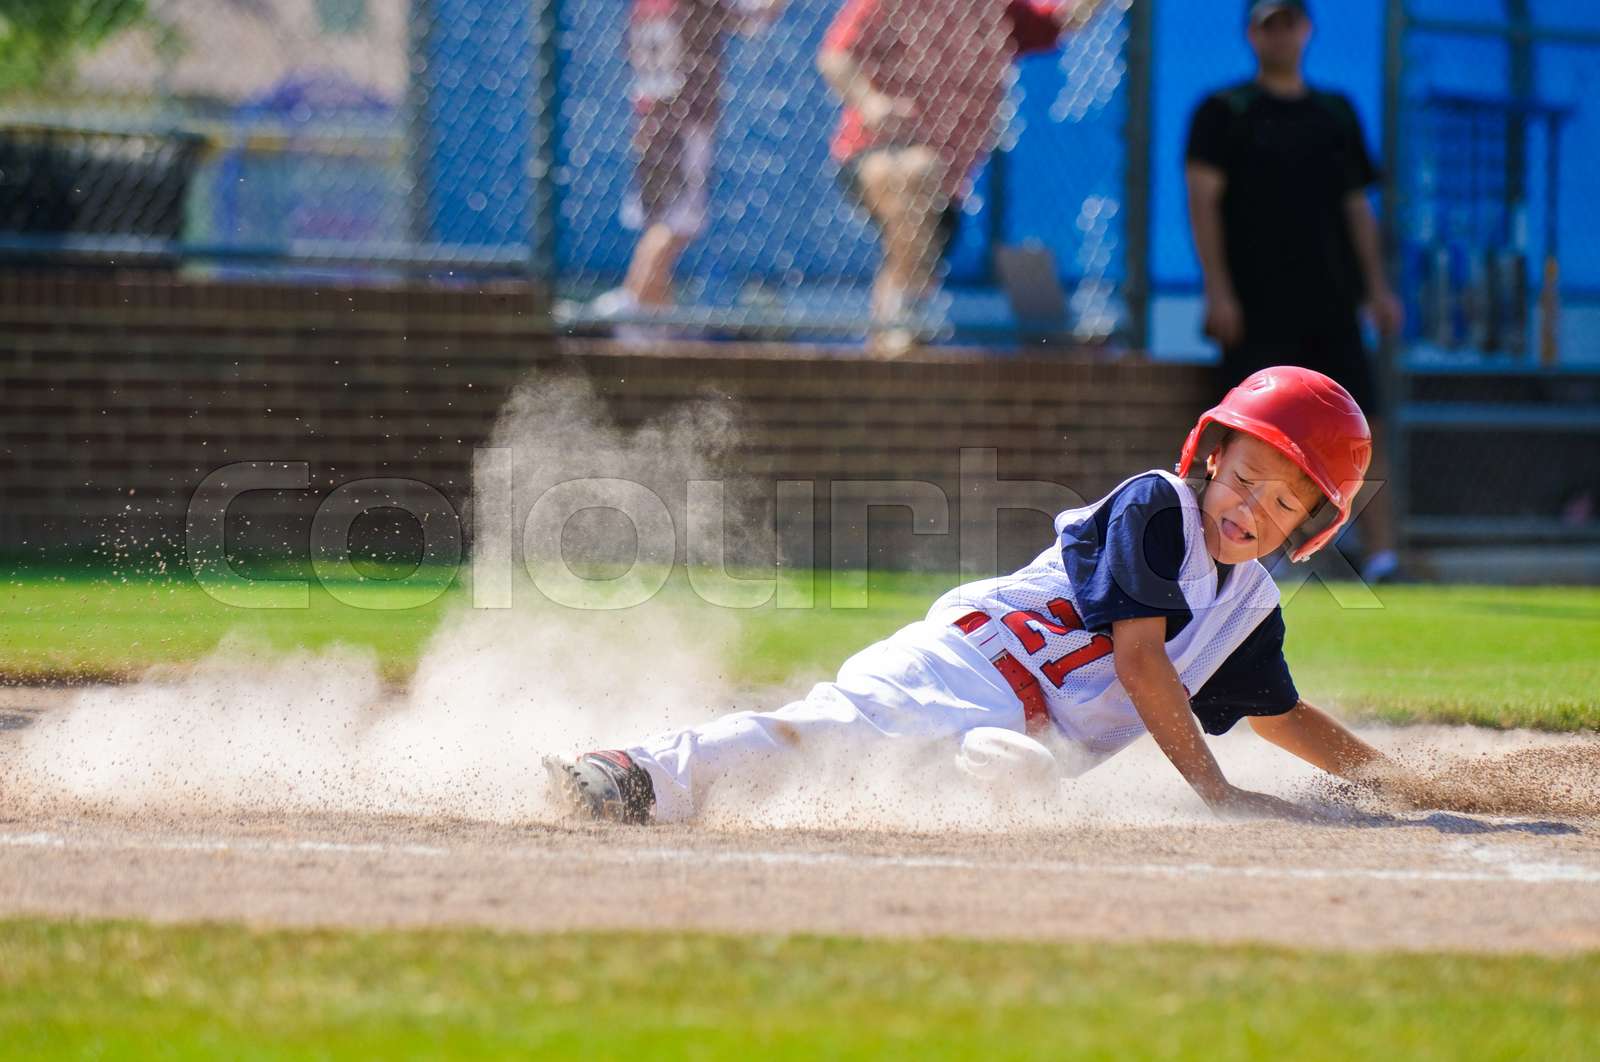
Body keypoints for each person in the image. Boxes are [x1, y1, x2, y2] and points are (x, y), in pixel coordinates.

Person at [547, 366, 1427, 825]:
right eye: (1246, 477)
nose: (1252, 507)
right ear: (1210, 458)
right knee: (840, 732)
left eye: (1283, 501)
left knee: (1007, 787)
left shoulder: (1247, 610)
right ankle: (638, 774)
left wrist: (1399, 784)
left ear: (1310, 526)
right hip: (969, 663)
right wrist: (1217, 792)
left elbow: (1278, 714)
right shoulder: (1159, 506)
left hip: (1020, 731)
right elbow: (1141, 658)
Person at [1184, 0, 1404, 583]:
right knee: (1253, 434)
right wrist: (1217, 291)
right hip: (1256, 304)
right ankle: (1252, 555)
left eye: (1289, 22)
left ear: (1307, 30)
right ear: (1251, 33)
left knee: (1364, 423)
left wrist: (1378, 287)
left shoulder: (1335, 113)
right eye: (1268, 24)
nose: (1280, 35)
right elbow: (1202, 202)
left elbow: (1358, 208)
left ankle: (1380, 555)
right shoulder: (1222, 111)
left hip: (1331, 300)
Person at [817, 0, 1106, 358]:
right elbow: (835, 54)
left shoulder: (999, 9)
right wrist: (871, 102)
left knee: (917, 205)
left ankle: (895, 327)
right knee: (912, 174)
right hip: (876, 151)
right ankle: (905, 316)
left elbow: (1063, 20)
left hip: (948, 183)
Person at [589, 0, 785, 342]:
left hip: (649, 120)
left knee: (661, 221)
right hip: (683, 123)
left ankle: (654, 320)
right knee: (676, 225)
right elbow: (754, 18)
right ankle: (633, 312)